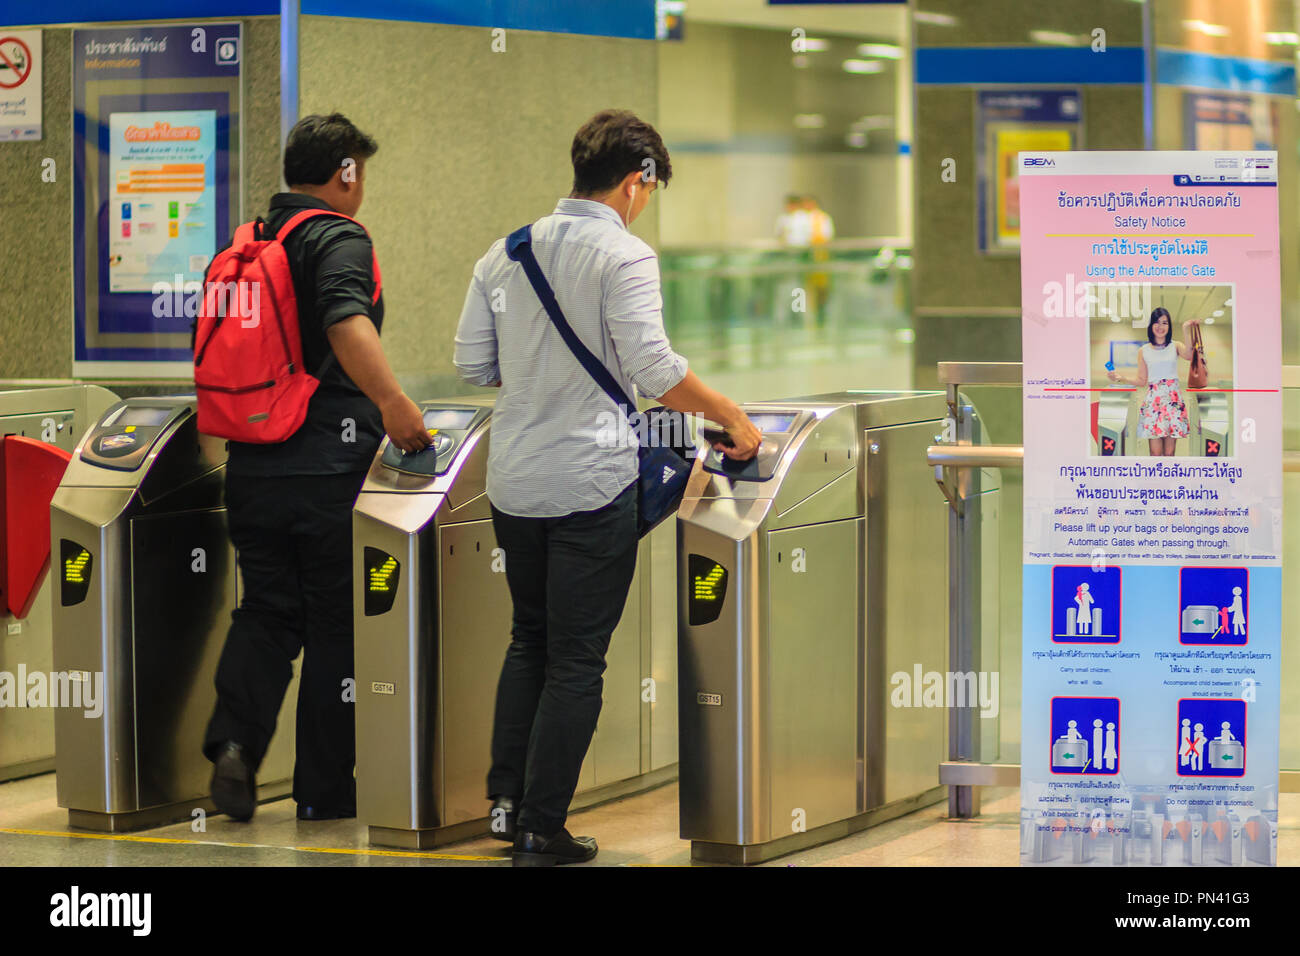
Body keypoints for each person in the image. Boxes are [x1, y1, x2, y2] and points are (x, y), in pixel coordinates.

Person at [454, 109, 761, 866]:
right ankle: (540, 828)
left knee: (531, 639)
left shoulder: (506, 251)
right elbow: (656, 371)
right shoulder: (624, 256)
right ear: (637, 181)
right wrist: (730, 415)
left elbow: (473, 365)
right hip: (590, 483)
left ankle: (505, 807)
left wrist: (538, 370)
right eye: (650, 189)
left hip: (515, 481)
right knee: (577, 659)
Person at [203, 113, 432, 822]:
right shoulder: (336, 235)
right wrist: (393, 402)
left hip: (251, 461)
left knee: (268, 609)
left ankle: (236, 744)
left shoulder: (249, 242)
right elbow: (344, 319)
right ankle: (326, 789)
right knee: (339, 622)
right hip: (327, 462)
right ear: (346, 172)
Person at [1107, 307, 1198, 456]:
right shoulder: (1144, 350)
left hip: (1172, 401)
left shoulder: (1175, 346)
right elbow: (1142, 380)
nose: (1160, 327)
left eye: (1164, 323)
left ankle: (1168, 479)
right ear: (1151, 325)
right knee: (1155, 453)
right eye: (1157, 322)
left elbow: (1189, 355)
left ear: (1169, 326)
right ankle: (1155, 479)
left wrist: (1186, 329)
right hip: (1153, 403)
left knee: (1169, 453)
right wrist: (1121, 378)